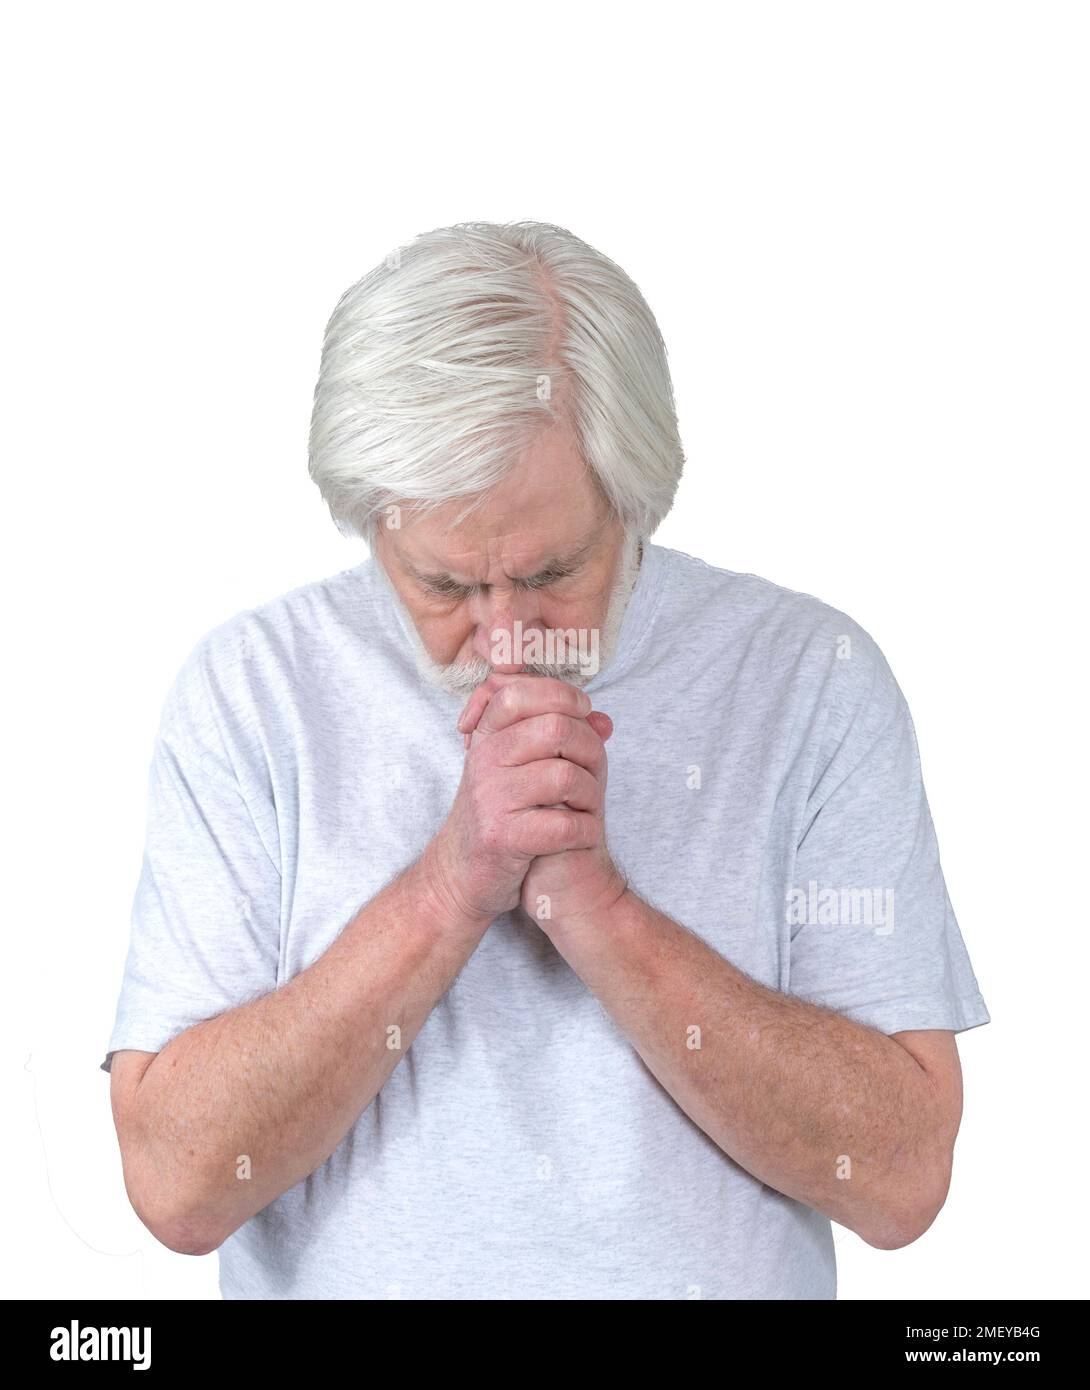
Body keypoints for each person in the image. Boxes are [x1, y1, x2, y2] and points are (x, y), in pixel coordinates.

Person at [103, 220, 990, 1300]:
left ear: (637, 497)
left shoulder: (810, 678)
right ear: (372, 529)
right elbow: (177, 1185)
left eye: (554, 570)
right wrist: (448, 889)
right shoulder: (249, 691)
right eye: (444, 586)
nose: (509, 637)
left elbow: (899, 1181)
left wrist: (600, 912)